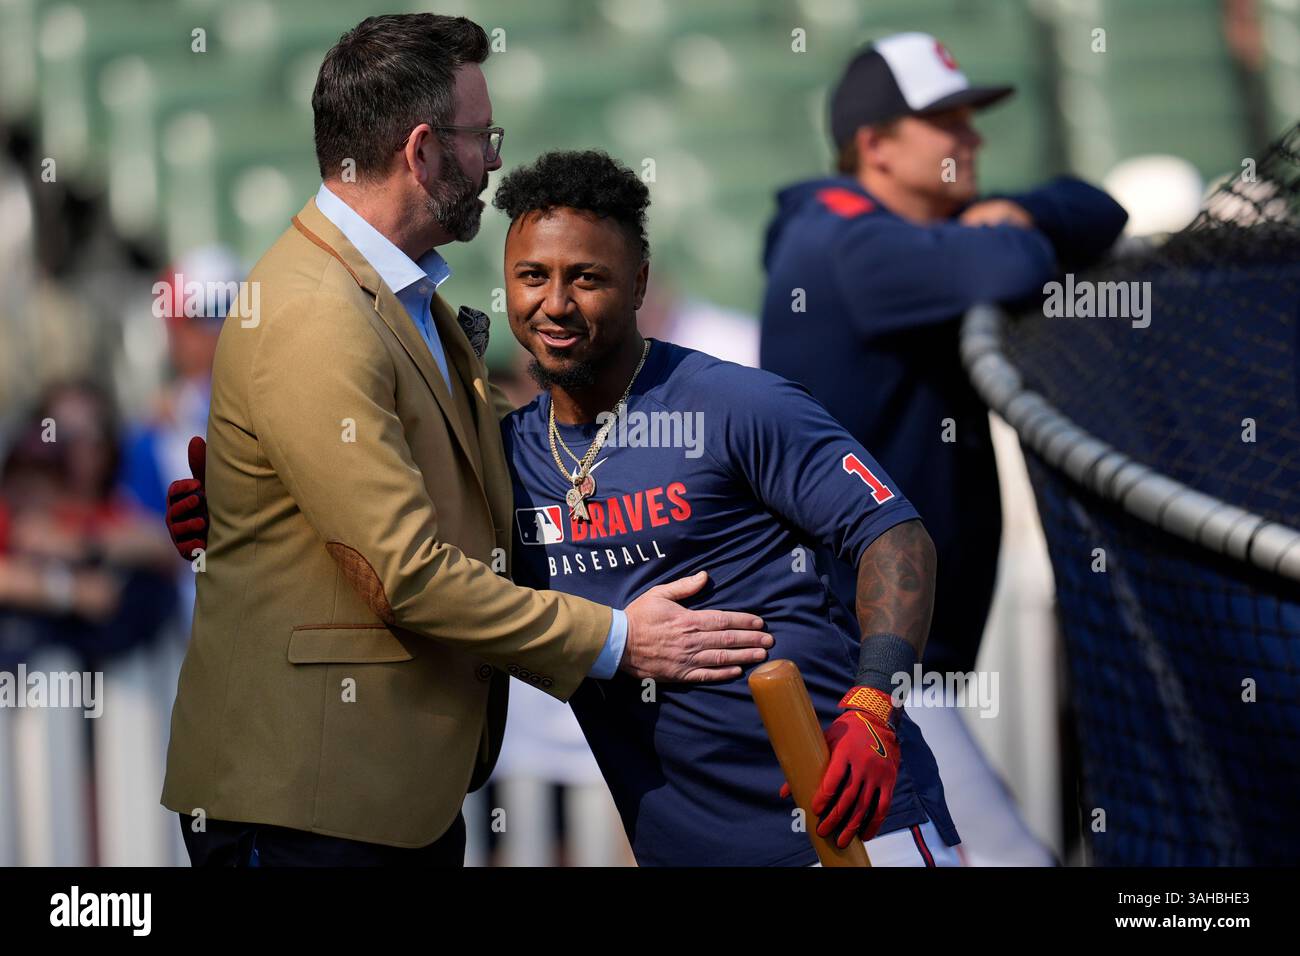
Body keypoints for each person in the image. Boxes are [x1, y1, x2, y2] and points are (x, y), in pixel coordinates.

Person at [168, 150, 963, 866]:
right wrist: (245, 514)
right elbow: (391, 553)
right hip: (682, 850)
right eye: (533, 278)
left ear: (641, 281)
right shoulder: (497, 458)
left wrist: (874, 704)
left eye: (587, 277)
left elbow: (893, 532)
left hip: (850, 817)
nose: (556, 304)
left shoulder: (739, 403)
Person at [160, 14, 770, 868]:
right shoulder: (317, 313)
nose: (493, 161)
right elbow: (405, 572)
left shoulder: (403, 296)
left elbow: (466, 491)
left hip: (379, 795)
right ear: (420, 152)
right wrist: (624, 641)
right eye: (481, 138)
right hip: (312, 805)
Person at [759, 32, 1128, 864]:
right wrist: (1019, 228)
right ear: (876, 145)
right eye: (946, 122)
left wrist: (1022, 213)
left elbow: (1098, 209)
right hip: (857, 665)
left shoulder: (899, 229)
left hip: (887, 664)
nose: (974, 140)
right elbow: (1015, 263)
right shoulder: (844, 241)